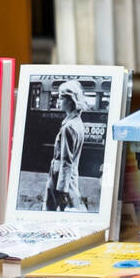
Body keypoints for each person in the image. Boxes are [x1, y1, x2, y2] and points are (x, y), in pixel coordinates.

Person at [46, 79, 86, 211]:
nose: (58, 101)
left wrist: (62, 188)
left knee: (53, 210)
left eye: (60, 98)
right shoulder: (77, 123)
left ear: (70, 100)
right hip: (70, 176)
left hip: (60, 178)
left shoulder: (68, 127)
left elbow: (66, 161)